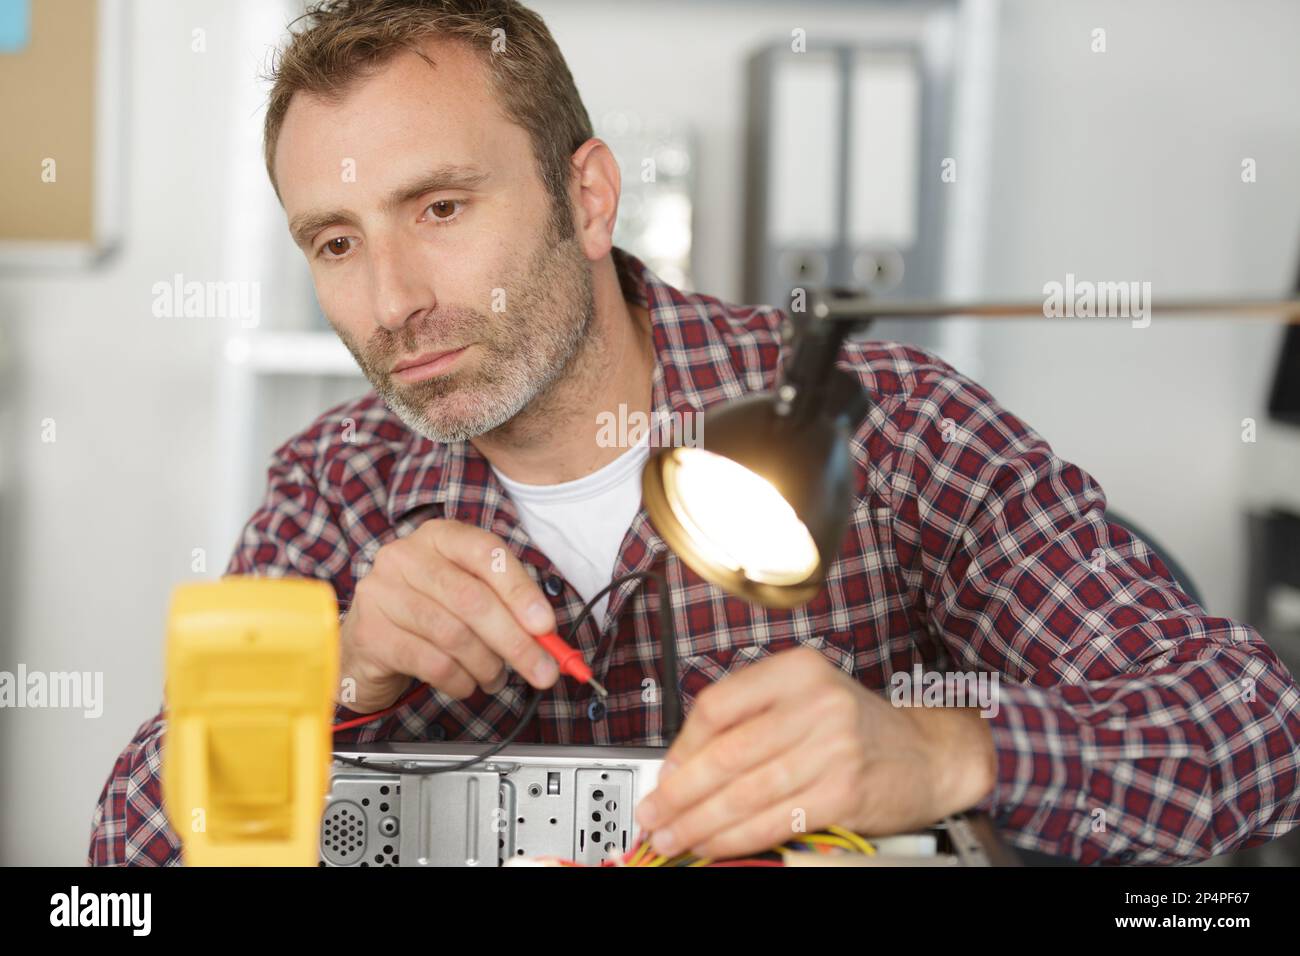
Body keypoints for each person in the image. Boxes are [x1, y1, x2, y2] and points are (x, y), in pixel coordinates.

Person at [89, 0, 1300, 866]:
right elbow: (129, 853)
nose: (392, 297)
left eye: (441, 206)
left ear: (587, 194)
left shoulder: (890, 427)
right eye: (336, 242)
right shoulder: (337, 486)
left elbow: (1250, 727)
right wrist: (337, 667)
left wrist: (941, 749)